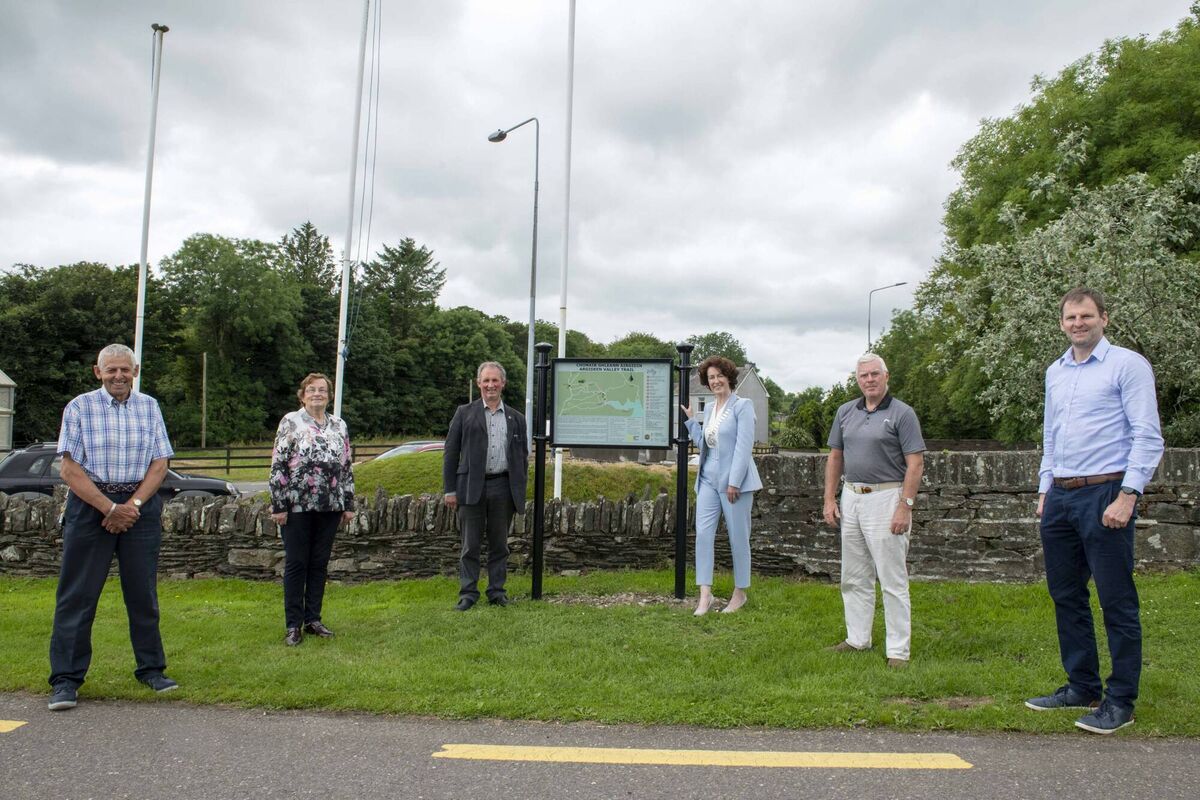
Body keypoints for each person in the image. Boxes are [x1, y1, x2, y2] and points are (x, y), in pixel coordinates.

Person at [1025, 288, 1163, 734]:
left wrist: (1129, 495)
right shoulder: (1056, 371)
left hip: (1106, 492)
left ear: (1104, 317)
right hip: (1061, 496)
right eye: (1070, 316)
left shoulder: (1127, 365)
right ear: (1062, 322)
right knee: (1066, 595)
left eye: (1086, 315)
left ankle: (1120, 700)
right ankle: (1081, 685)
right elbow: (1052, 435)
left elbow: (1148, 435)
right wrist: (1046, 489)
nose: (1078, 323)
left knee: (1116, 599)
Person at [47, 344, 177, 711]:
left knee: (142, 596)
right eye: (111, 370)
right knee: (77, 596)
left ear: (135, 372)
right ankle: (66, 681)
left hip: (139, 507)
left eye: (125, 370)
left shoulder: (149, 406)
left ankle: (152, 670)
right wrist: (109, 507)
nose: (118, 376)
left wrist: (132, 506)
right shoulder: (79, 407)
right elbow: (69, 469)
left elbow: (160, 462)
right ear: (97, 372)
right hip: (91, 507)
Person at [823, 353, 924, 667]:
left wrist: (904, 507)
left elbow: (915, 463)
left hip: (886, 497)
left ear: (886, 376)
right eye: (863, 375)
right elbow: (835, 457)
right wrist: (829, 498)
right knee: (853, 574)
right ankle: (857, 639)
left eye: (874, 374)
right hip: (852, 495)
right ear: (857, 379)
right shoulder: (845, 412)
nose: (869, 380)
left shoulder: (902, 414)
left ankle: (898, 650)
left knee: (892, 577)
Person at [269, 373, 356, 646]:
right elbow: (278, 465)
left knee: (319, 563)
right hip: (297, 505)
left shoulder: (339, 425)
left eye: (322, 390)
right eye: (311, 390)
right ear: (302, 394)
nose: (317, 394)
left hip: (330, 505)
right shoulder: (290, 422)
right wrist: (279, 504)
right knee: (297, 563)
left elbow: (346, 465)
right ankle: (293, 625)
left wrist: (349, 503)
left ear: (329, 395)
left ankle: (313, 619)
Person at [442, 361, 528, 610]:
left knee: (500, 545)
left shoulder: (517, 418)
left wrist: (518, 491)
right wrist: (450, 489)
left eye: (495, 380)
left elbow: (522, 457)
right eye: (486, 380)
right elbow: (451, 452)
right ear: (479, 383)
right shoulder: (464, 413)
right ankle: (468, 594)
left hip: (503, 487)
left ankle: (496, 592)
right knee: (470, 545)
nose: (491, 385)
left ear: (503, 383)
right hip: (470, 487)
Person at [682, 356, 762, 615]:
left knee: (738, 537)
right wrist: (693, 422)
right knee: (703, 536)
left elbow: (743, 447)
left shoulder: (743, 406)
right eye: (711, 377)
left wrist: (734, 482)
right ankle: (705, 595)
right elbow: (709, 443)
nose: (715, 381)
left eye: (719, 376)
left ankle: (740, 594)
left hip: (734, 484)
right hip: (707, 480)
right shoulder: (711, 408)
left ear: (729, 377)